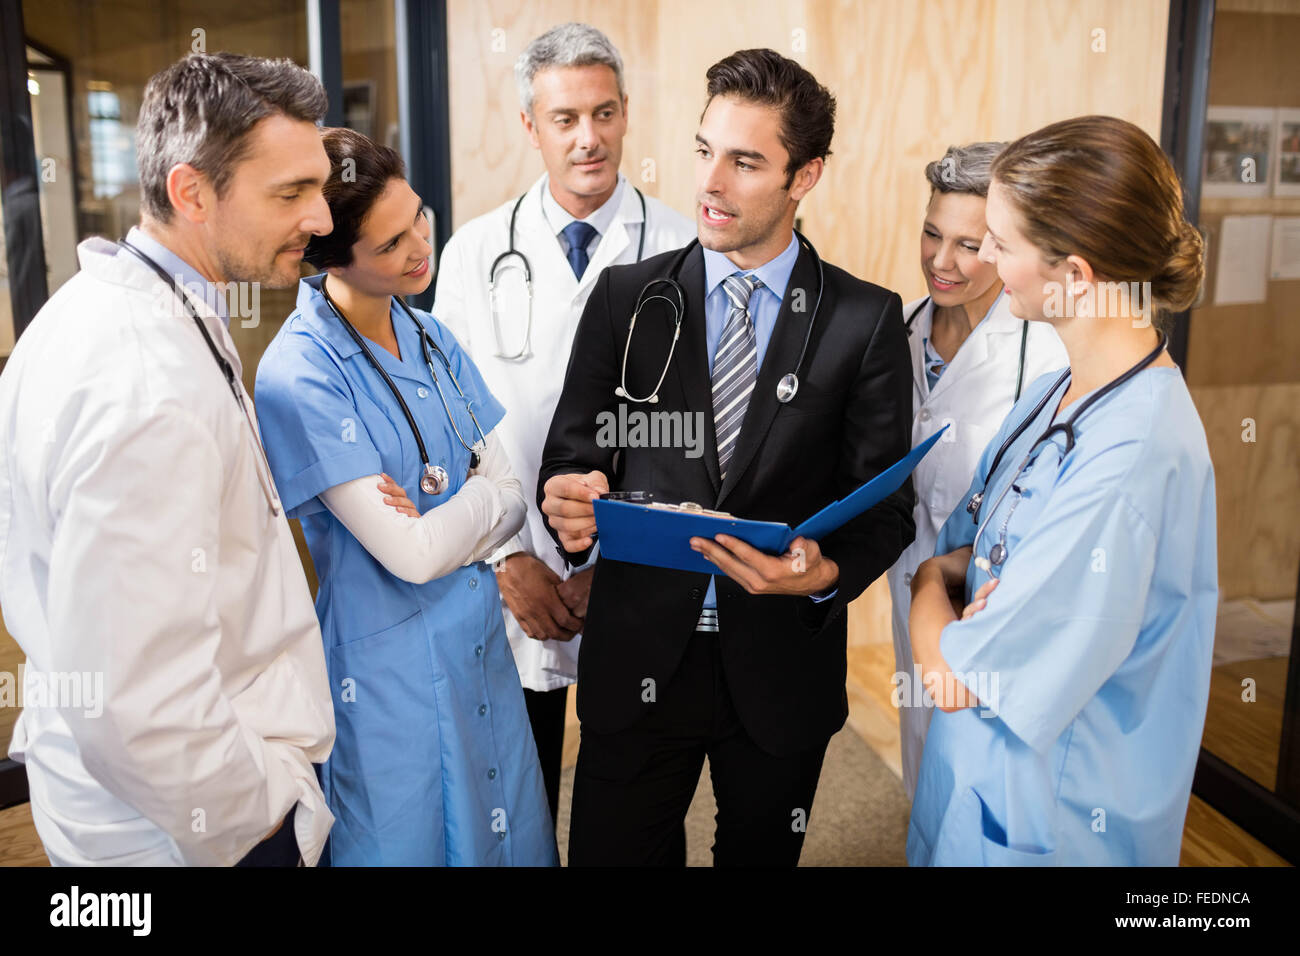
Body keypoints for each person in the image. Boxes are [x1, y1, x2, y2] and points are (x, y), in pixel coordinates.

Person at [539, 48, 914, 866]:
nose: (710, 183)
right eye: (706, 150)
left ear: (804, 175)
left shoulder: (863, 321)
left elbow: (886, 507)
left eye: (746, 162)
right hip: (640, 655)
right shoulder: (626, 299)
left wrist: (819, 574)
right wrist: (568, 494)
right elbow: (575, 454)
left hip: (779, 664)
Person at [0, 53, 336, 866]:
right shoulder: (145, 385)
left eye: (319, 185)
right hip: (188, 830)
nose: (323, 218)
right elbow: (136, 702)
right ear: (192, 193)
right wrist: (259, 814)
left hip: (136, 801)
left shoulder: (105, 309)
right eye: (290, 193)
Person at [906, 115, 1216, 866]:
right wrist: (948, 589)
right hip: (980, 784)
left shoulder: (1130, 456)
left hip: (1061, 817)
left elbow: (954, 675)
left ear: (1075, 276)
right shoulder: (1055, 394)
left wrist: (926, 584)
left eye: (1001, 246)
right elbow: (964, 558)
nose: (990, 266)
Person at [254, 128, 557, 866]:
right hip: (383, 678)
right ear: (333, 255)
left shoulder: (432, 338)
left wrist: (468, 508)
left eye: (418, 217)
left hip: (478, 643)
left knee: (507, 840)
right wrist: (479, 503)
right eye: (391, 245)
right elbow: (413, 556)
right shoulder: (300, 374)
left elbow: (514, 491)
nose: (421, 246)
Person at [432, 22, 693, 824]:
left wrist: (616, 561)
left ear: (625, 113)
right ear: (529, 127)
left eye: (605, 114)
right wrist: (509, 558)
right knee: (520, 794)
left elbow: (692, 437)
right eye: (565, 119)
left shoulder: (685, 246)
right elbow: (449, 426)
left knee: (628, 804)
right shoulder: (475, 253)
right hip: (510, 566)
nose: (589, 139)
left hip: (633, 566)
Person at [884, 143, 1066, 800]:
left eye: (970, 245)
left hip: (990, 593)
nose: (941, 261)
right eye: (932, 234)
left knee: (983, 775)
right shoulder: (897, 329)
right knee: (921, 754)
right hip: (910, 580)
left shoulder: (1045, 353)